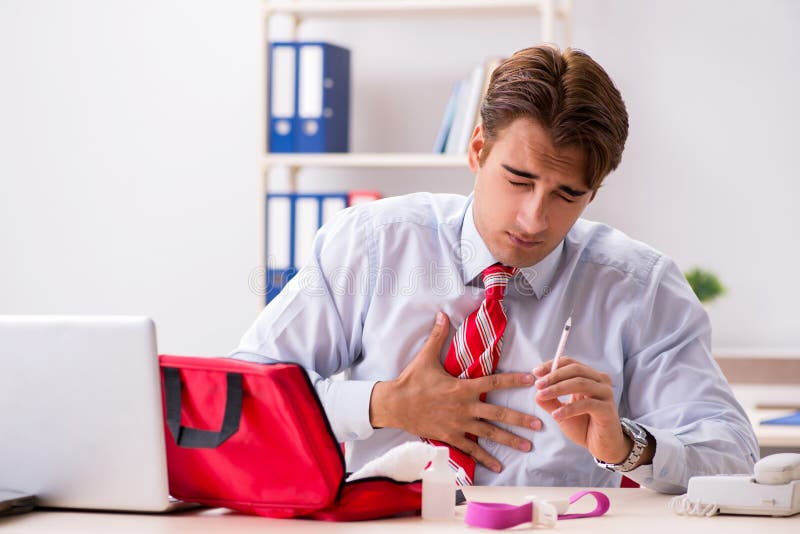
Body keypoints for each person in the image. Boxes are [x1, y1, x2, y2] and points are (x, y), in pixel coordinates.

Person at [232, 44, 758, 493]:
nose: (534, 219)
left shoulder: (640, 288)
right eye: (519, 180)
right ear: (478, 148)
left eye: (567, 194)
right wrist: (382, 403)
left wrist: (626, 445)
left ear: (593, 192)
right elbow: (244, 393)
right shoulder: (373, 245)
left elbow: (734, 456)